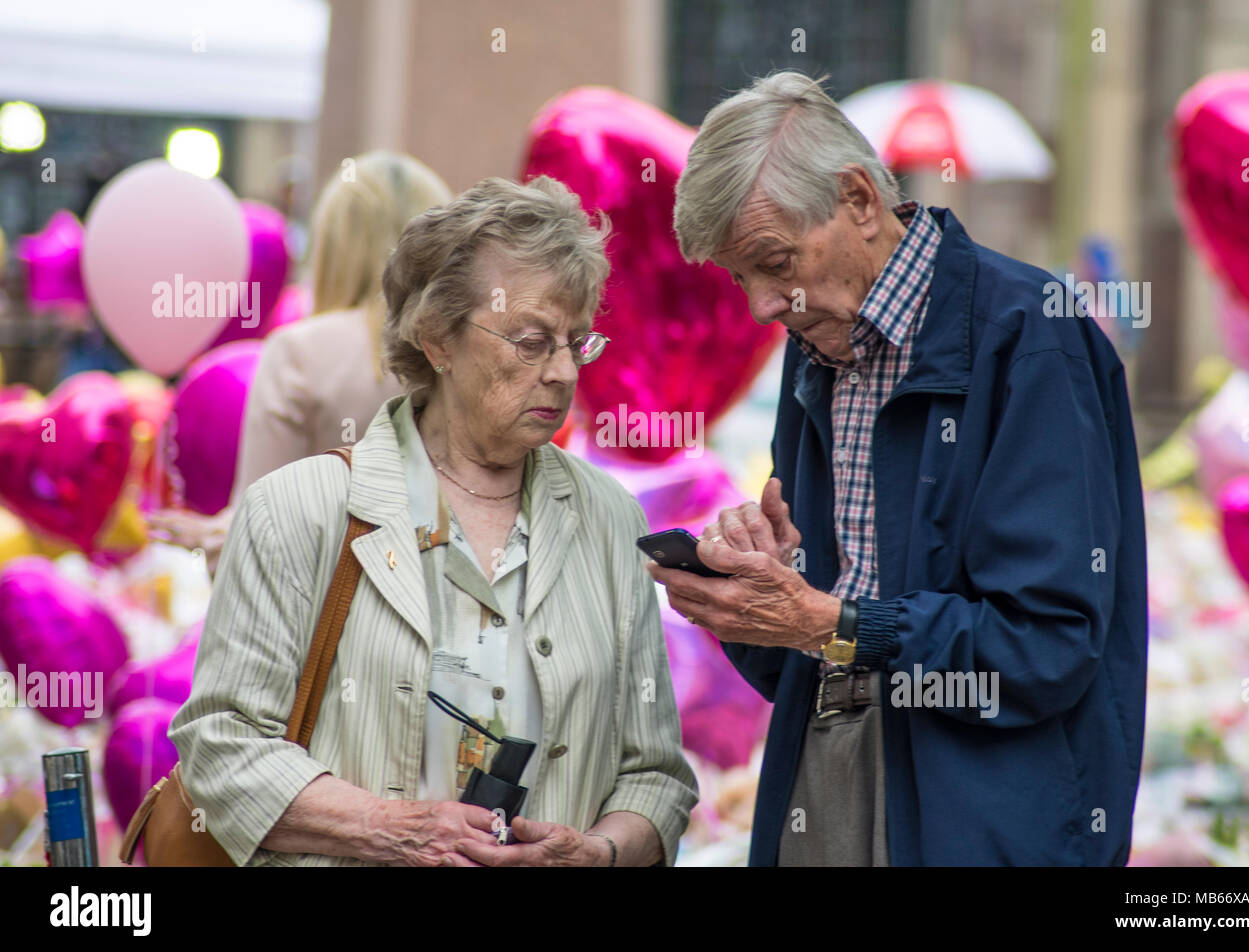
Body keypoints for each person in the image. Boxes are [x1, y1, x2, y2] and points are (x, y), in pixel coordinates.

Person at [654, 71, 1147, 866]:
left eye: (774, 263)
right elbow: (804, 657)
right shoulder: (816, 343)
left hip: (981, 809)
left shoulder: (1031, 336)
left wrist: (831, 623)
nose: (761, 306)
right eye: (740, 278)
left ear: (857, 198)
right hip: (826, 767)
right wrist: (759, 591)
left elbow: (1045, 646)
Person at [169, 175, 698, 867]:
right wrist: (402, 830)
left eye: (578, 342)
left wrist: (599, 851)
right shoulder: (300, 508)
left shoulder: (607, 517)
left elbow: (655, 773)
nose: (564, 371)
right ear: (437, 339)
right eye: (532, 342)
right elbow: (221, 749)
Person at [148, 151, 453, 574]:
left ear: (335, 244)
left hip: (328, 622)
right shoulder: (463, 349)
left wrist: (213, 540)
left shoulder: (300, 353)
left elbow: (262, 534)